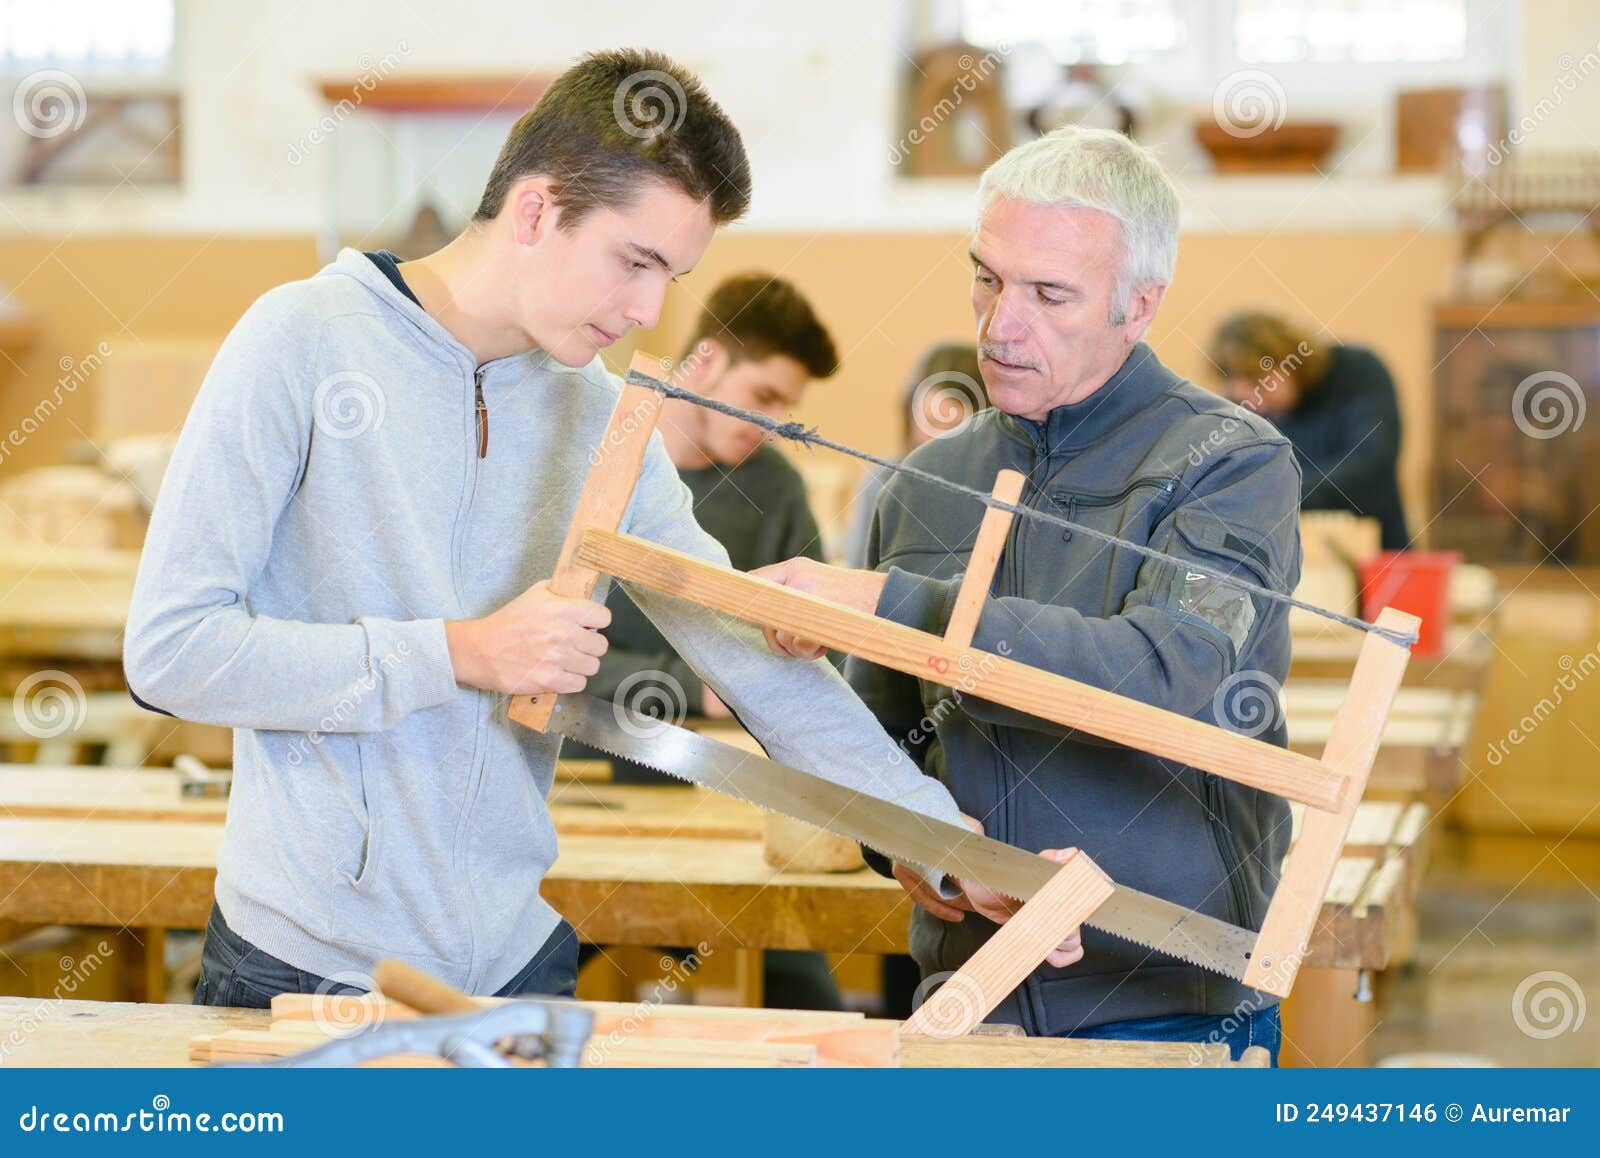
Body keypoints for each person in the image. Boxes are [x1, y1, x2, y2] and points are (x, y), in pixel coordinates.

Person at [122, 49, 966, 1008]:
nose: (648, 310)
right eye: (634, 262)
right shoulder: (300, 341)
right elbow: (171, 651)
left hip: (515, 965)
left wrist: (939, 838)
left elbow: (750, 653)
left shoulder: (603, 418)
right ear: (534, 210)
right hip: (304, 963)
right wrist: (460, 653)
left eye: (672, 275)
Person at [751, 125, 1303, 1062]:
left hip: (1171, 1006)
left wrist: (896, 605)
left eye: (1049, 294)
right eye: (987, 278)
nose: (1000, 324)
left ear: (1139, 305)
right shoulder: (925, 482)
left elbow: (1168, 671)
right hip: (968, 1002)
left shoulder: (1232, 464)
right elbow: (882, 743)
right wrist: (927, 851)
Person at [568, 271, 845, 1009]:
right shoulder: (596, 459)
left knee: (806, 1002)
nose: (773, 423)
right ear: (709, 361)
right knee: (522, 992)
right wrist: (694, 686)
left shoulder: (775, 489)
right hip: (576, 786)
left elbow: (818, 655)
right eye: (764, 397)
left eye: (787, 408)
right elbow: (539, 654)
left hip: (717, 798)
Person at [1207, 311, 1410, 550]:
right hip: (1299, 555)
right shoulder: (1248, 410)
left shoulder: (1358, 373)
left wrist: (1273, 492)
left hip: (1378, 551)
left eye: (1257, 382)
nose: (1253, 402)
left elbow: (1372, 464)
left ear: (1287, 359)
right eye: (1239, 390)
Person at [842, 342, 985, 568]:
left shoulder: (998, 492)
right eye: (929, 421)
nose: (937, 440)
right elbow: (857, 571)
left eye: (953, 426)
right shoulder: (883, 479)